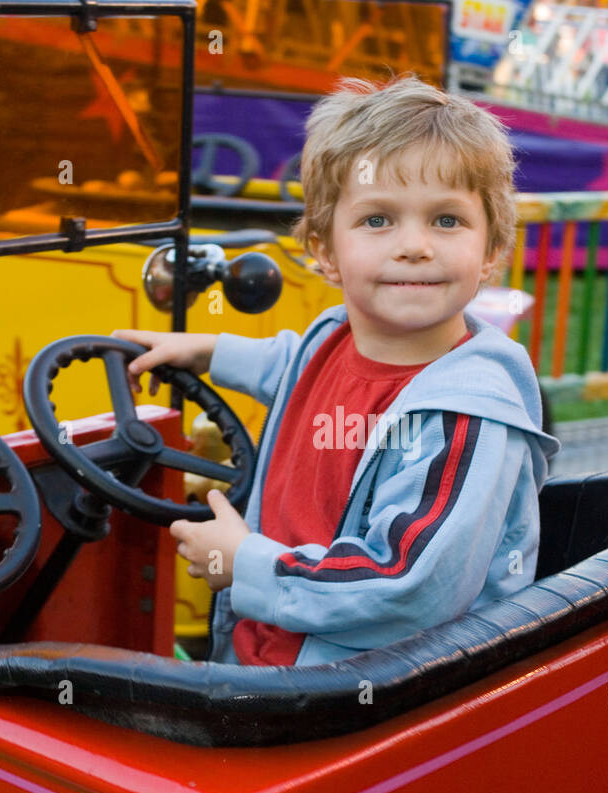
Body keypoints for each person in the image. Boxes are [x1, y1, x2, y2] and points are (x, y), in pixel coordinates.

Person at [112, 74, 559, 667]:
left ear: (492, 250)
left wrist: (245, 563)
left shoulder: (467, 414)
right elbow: (292, 366)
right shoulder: (331, 341)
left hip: (374, 692)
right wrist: (207, 351)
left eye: (447, 221)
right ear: (324, 250)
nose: (415, 246)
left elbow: (407, 587)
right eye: (378, 220)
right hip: (269, 656)